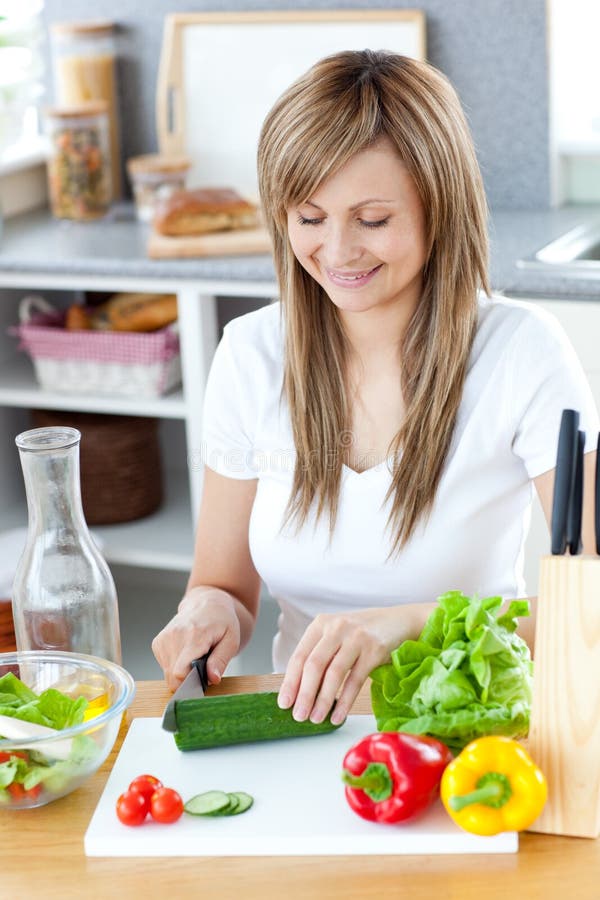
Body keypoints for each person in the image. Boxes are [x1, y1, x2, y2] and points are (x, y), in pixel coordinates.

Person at [152, 49, 599, 727]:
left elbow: (592, 608)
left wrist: (415, 624)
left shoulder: (521, 353)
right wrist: (206, 612)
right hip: (298, 725)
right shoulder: (250, 354)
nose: (337, 251)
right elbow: (224, 587)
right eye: (309, 217)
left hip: (472, 733)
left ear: (437, 208)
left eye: (373, 220)